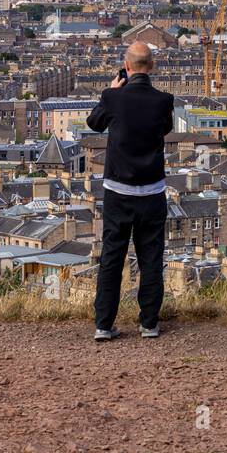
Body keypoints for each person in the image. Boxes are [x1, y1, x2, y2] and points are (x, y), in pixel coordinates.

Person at [86, 42, 174, 342]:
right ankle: (149, 323)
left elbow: (94, 123)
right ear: (152, 66)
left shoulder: (113, 97)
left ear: (126, 64)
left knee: (112, 256)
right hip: (151, 191)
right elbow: (163, 130)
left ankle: (104, 324)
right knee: (151, 257)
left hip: (118, 192)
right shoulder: (163, 101)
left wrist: (111, 92)